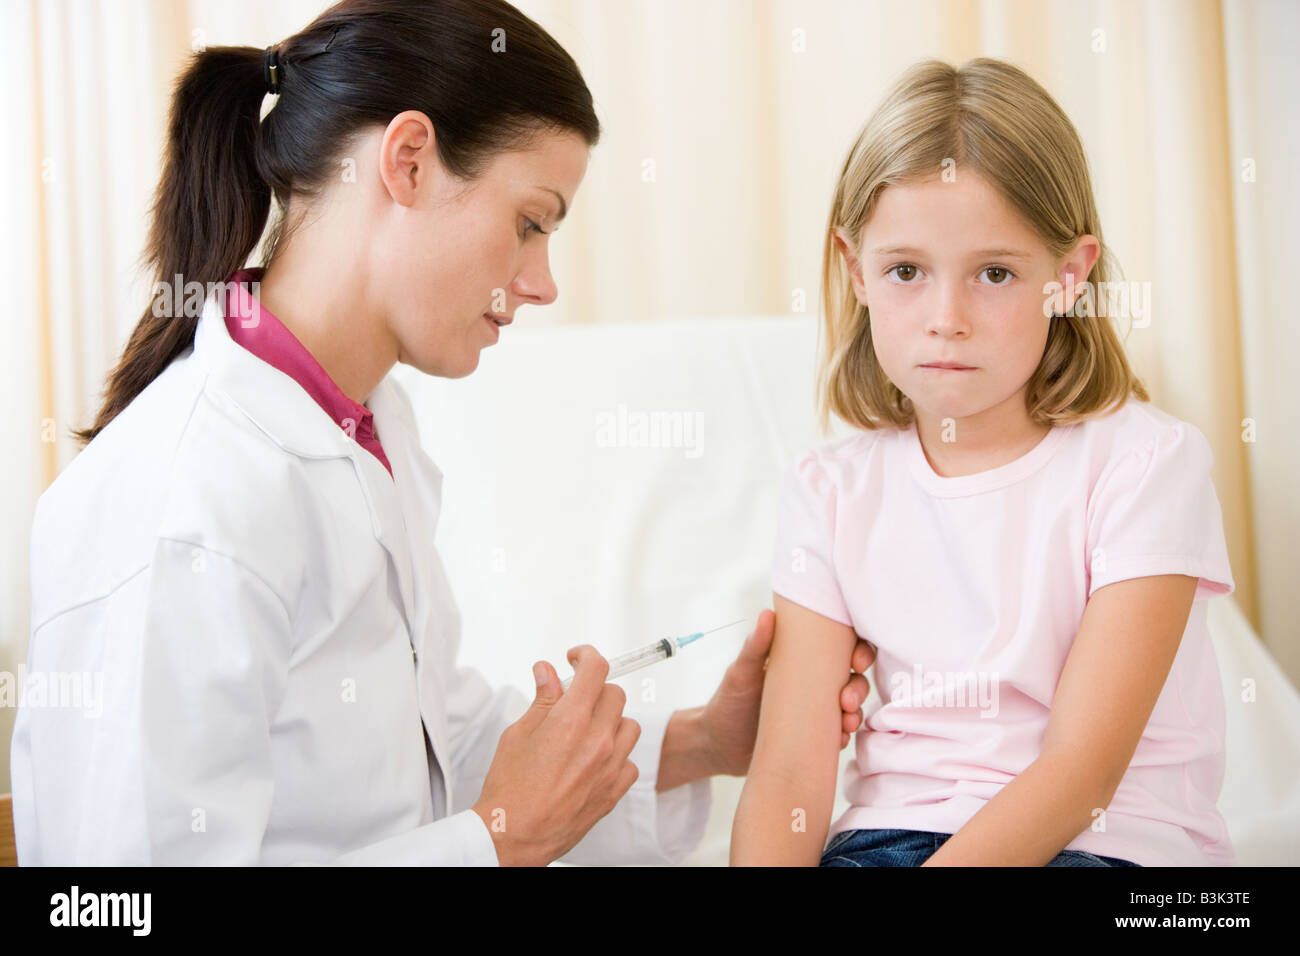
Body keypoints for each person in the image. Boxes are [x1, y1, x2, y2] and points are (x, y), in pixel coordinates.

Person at [10, 0, 872, 866]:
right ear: (410, 160)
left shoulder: (370, 421)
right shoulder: (185, 506)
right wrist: (497, 841)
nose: (541, 283)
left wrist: (704, 742)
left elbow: (439, 747)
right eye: (531, 223)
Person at [730, 57, 1236, 867]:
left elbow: (1082, 771)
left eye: (995, 273)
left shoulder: (1147, 463)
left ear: (1069, 277)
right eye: (906, 271)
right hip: (884, 843)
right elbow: (789, 772)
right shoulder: (828, 491)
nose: (946, 319)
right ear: (854, 268)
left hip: (1105, 846)